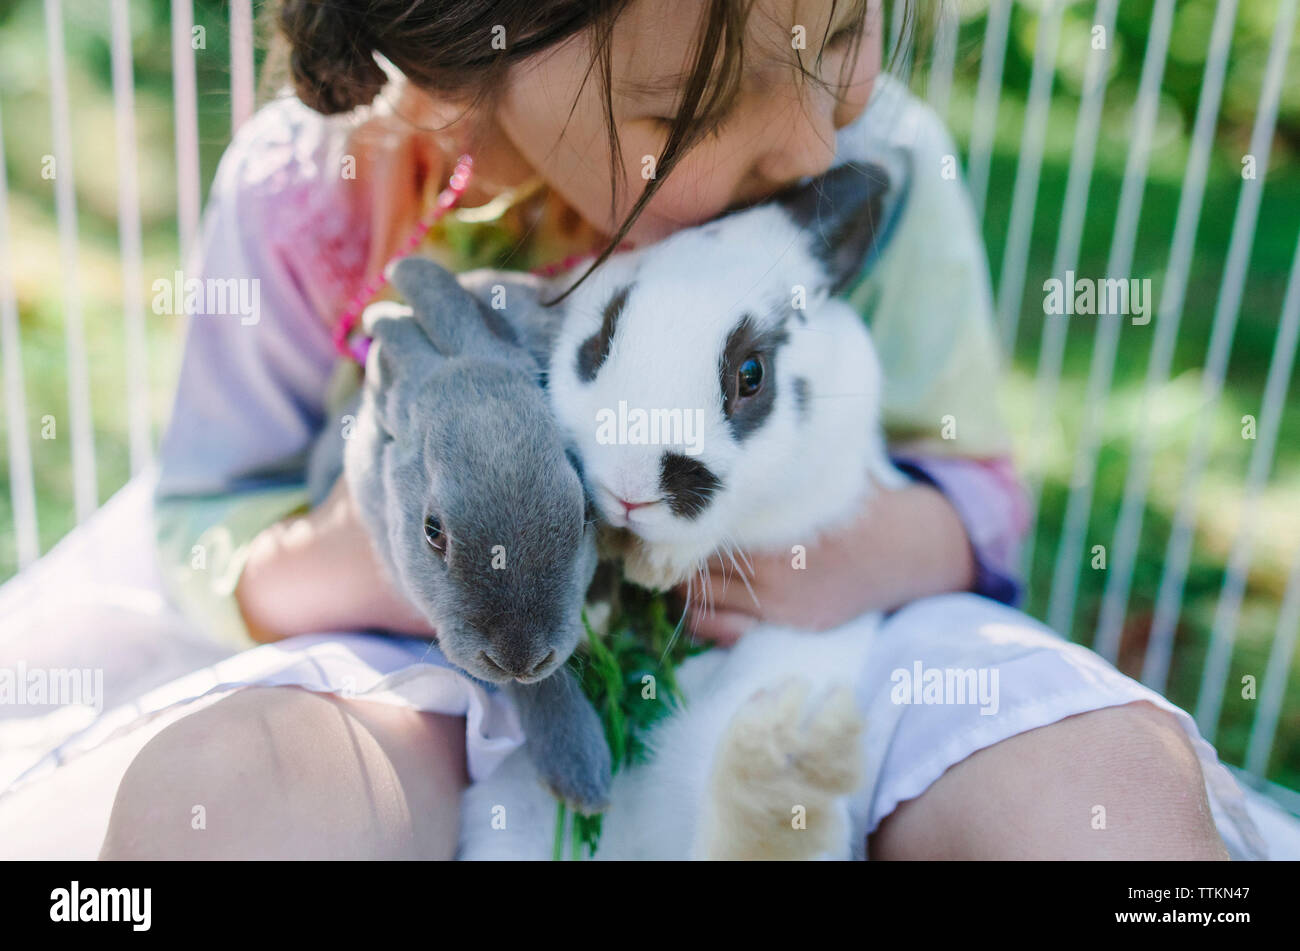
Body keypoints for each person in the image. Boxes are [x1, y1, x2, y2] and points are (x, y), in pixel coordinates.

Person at [56, 0, 1261, 859]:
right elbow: (210, 528)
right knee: (247, 795)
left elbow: (979, 492)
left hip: (814, 645)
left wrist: (846, 560)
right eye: (698, 104)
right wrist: (396, 541)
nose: (810, 141)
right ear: (458, 66)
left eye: (843, 35)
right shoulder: (311, 193)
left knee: (1094, 789)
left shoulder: (878, 164)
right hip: (437, 671)